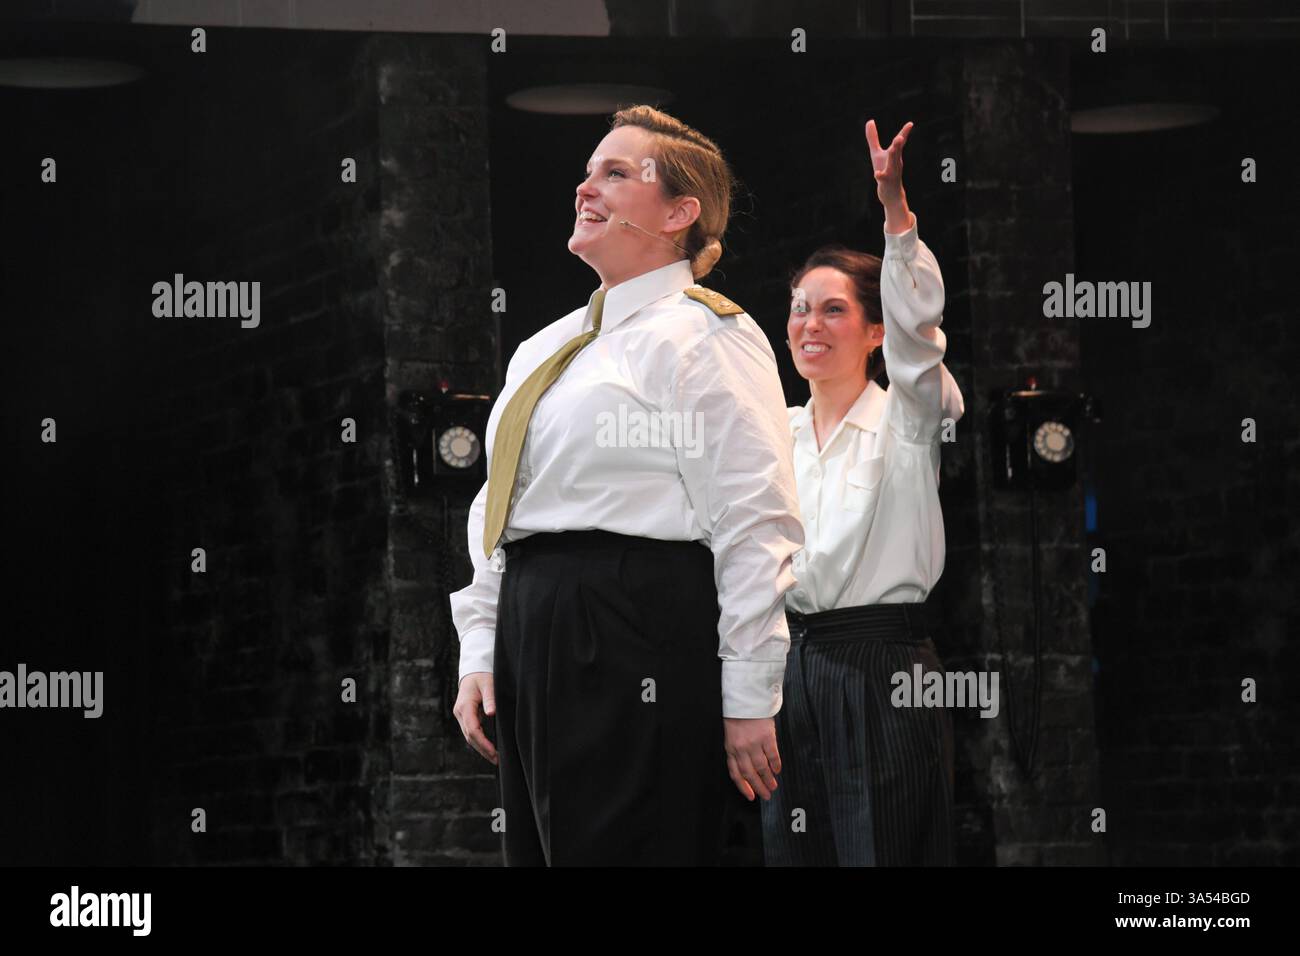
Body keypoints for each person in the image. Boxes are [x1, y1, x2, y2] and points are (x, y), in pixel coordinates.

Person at [450, 105, 803, 866]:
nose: (587, 187)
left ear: (681, 212)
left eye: (617, 173)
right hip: (538, 620)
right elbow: (497, 508)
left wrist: (747, 696)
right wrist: (481, 645)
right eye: (587, 171)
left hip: (634, 620)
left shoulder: (708, 333)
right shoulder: (548, 346)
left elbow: (755, 516)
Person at [760, 119, 966, 866]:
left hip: (885, 665)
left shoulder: (903, 419)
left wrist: (897, 215)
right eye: (798, 308)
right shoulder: (771, 432)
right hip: (792, 671)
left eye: (834, 308)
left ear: (875, 331)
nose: (809, 324)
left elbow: (921, 343)